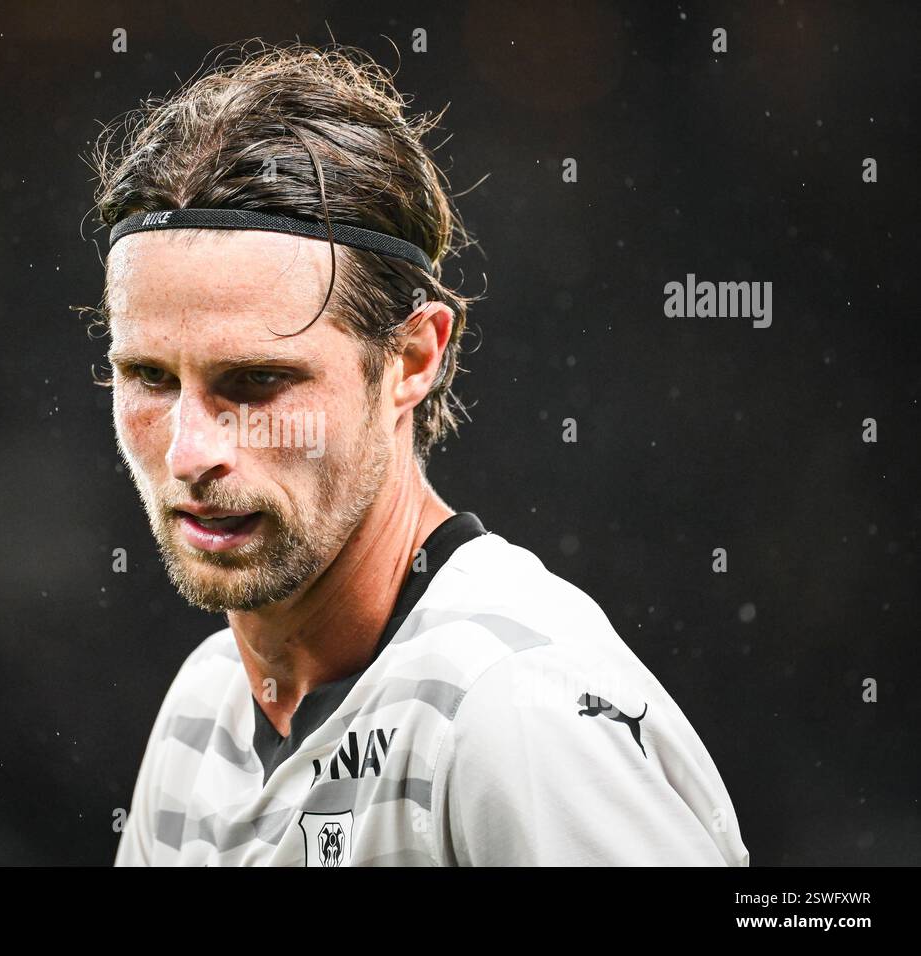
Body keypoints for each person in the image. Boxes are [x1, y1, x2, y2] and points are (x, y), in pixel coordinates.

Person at [85, 42, 748, 866]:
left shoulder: (515, 708)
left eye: (256, 382)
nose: (190, 452)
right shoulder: (203, 707)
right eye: (148, 376)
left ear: (411, 359)